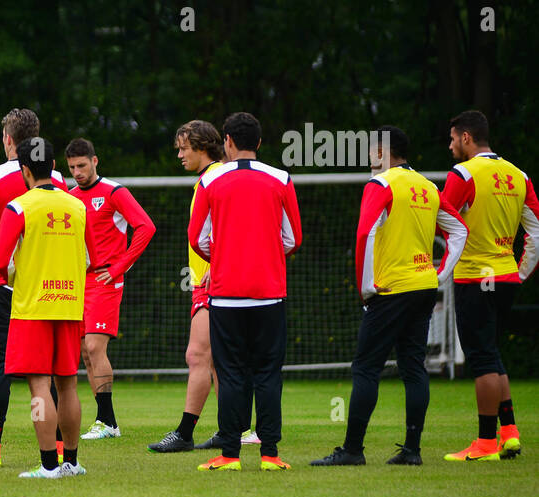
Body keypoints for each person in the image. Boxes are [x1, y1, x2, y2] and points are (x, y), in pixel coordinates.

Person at [311, 126, 467, 467]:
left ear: (383, 152)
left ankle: (353, 450)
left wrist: (366, 286)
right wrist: (441, 274)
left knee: (366, 368)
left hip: (391, 289)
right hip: (423, 286)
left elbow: (365, 233)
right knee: (414, 368)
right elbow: (459, 229)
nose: (369, 158)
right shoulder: (427, 186)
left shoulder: (380, 184)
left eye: (371, 151)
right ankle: (412, 450)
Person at [188, 112, 302, 472]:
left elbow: (198, 238)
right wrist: (266, 256)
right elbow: (293, 239)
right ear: (260, 143)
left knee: (232, 372)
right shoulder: (281, 178)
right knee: (268, 372)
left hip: (226, 295)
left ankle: (230, 454)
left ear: (227, 141)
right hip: (269, 294)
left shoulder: (211, 181)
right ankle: (270, 453)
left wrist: (222, 259)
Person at [0, 109, 67, 468]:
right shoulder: (58, 180)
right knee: (49, 372)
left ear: (8, 138)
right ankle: (59, 446)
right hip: (46, 287)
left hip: (3, 285)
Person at [438, 110, 539, 461]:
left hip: (474, 277)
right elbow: (536, 231)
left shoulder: (464, 174)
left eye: (453, 139)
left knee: (481, 359)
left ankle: (484, 443)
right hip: (506, 275)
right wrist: (520, 272)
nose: (450, 146)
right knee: (493, 355)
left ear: (467, 137)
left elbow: (445, 220)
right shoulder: (518, 175)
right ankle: (509, 433)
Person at [0, 138, 88, 478]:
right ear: (55, 167)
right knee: (69, 386)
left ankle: (49, 465)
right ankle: (72, 462)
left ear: (25, 171)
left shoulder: (19, 207)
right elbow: (87, 260)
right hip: (70, 305)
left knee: (38, 388)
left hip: (33, 307)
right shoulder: (77, 206)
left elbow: (0, 261)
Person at [65, 137, 155, 440]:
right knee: (85, 354)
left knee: (94, 346)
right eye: (72, 167)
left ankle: (105, 421)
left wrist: (119, 267)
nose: (77, 172)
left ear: (95, 161)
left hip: (105, 279)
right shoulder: (69, 195)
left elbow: (146, 227)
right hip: (79, 280)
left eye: (82, 165)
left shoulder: (115, 192)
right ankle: (109, 423)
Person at [149, 120, 227, 452]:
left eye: (184, 148)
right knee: (218, 361)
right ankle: (231, 429)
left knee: (197, 355)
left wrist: (220, 265)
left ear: (203, 146)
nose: (179, 155)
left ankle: (184, 433)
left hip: (214, 281)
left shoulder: (215, 180)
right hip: (209, 280)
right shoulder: (211, 178)